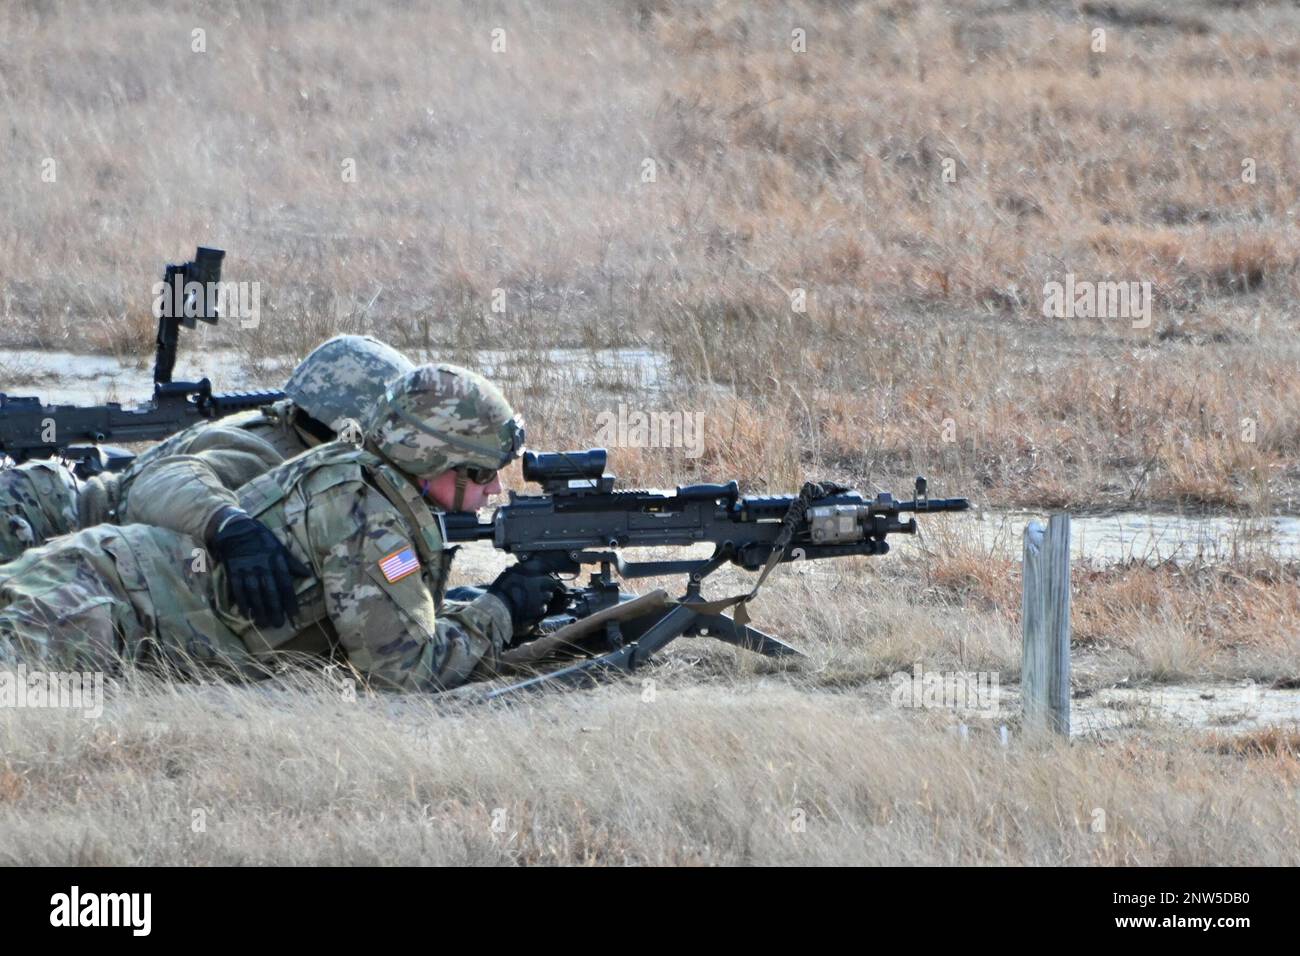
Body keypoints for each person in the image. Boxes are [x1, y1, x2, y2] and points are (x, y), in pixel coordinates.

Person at [0, 363, 561, 692]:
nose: (492, 491)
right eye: (481, 473)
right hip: (88, 602)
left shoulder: (362, 484)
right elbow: (405, 672)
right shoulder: (368, 515)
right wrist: (500, 611)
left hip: (97, 587)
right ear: (429, 456)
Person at [0, 334, 415, 563]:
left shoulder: (292, 430)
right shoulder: (268, 453)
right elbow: (166, 481)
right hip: (43, 518)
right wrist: (231, 526)